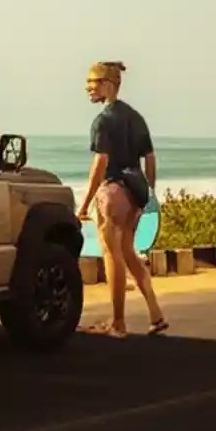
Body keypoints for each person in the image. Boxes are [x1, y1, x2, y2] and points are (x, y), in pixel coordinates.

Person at [76, 61, 168, 338]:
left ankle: (118, 322)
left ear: (108, 84)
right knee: (128, 251)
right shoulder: (135, 117)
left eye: (92, 83)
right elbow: (149, 159)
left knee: (111, 254)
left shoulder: (103, 120)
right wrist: (149, 195)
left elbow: (100, 163)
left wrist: (84, 202)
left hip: (113, 190)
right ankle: (155, 314)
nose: (87, 88)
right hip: (135, 190)